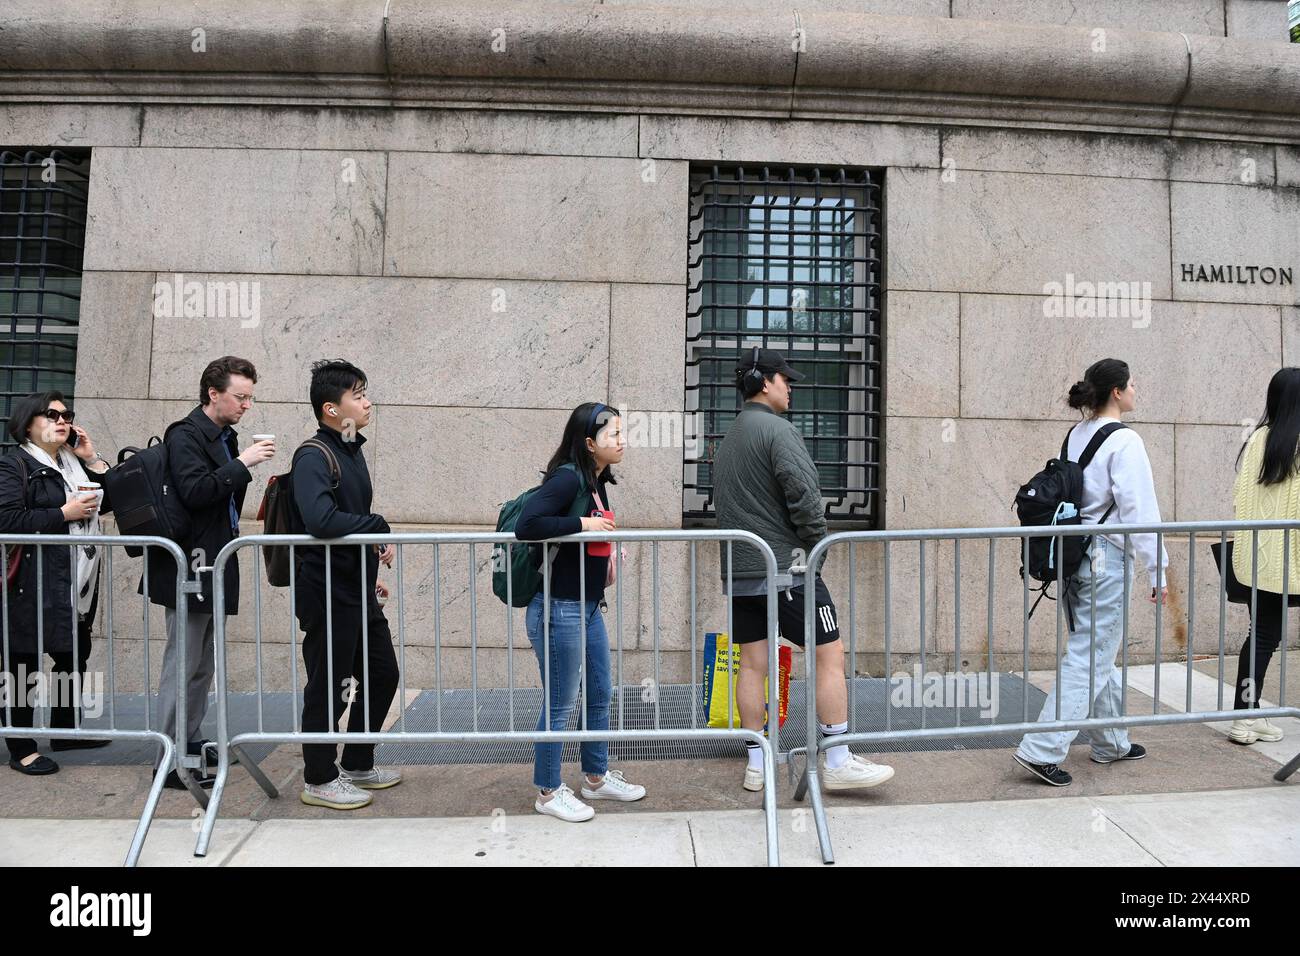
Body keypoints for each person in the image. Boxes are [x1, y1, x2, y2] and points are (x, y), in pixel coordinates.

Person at [713, 348, 894, 794]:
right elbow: (805, 498)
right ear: (764, 382)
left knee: (753, 664)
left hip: (741, 570)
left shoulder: (730, 436)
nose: (790, 388)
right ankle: (836, 758)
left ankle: (758, 760)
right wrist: (818, 550)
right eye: (784, 379)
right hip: (790, 571)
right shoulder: (779, 431)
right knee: (829, 654)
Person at [1014, 358, 1168, 786]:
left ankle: (1111, 742)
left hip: (1072, 553)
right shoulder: (1126, 441)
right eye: (1132, 384)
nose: (1137, 389)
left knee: (1097, 651)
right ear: (1117, 392)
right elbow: (1139, 509)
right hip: (1108, 557)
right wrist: (1158, 568)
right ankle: (1042, 749)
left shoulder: (1076, 434)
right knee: (1090, 654)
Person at [142, 356, 275, 789]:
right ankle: (169, 755)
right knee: (183, 661)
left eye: (250, 397)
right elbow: (197, 491)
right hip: (189, 563)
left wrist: (238, 461)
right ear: (213, 393)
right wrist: (244, 463)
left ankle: (190, 739)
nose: (246, 405)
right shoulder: (185, 435)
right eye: (240, 396)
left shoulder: (223, 435)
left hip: (213, 559)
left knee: (202, 662)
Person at [515, 402, 646, 822]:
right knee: (560, 701)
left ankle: (595, 776)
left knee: (599, 692)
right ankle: (549, 791)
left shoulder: (594, 480)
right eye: (614, 435)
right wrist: (583, 526)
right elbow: (528, 525)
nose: (622, 441)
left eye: (623, 433)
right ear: (590, 443)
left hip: (586, 609)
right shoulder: (567, 479)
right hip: (558, 610)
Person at [292, 360, 399, 810]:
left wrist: (370, 547)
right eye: (359, 395)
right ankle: (318, 776)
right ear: (332, 409)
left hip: (357, 589)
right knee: (328, 684)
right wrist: (375, 526)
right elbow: (319, 520)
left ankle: (356, 761)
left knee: (382, 672)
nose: (368, 401)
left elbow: (345, 518)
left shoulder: (350, 451)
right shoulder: (314, 455)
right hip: (326, 592)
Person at [0, 393, 113, 774]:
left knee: (72, 653)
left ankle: (66, 729)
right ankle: (21, 746)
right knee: (22, 662)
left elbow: (110, 498)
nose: (62, 420)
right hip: (33, 580)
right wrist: (63, 513)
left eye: (67, 415)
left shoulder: (70, 463)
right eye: (52, 414)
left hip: (75, 580)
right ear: (28, 422)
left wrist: (92, 459)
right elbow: (9, 520)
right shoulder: (15, 464)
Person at [1227, 367, 1300, 745]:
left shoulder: (1256, 439)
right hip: (1294, 561)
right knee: (1264, 638)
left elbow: (1241, 496)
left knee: (1262, 637)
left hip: (1259, 562)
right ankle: (1249, 715)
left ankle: (1245, 716)